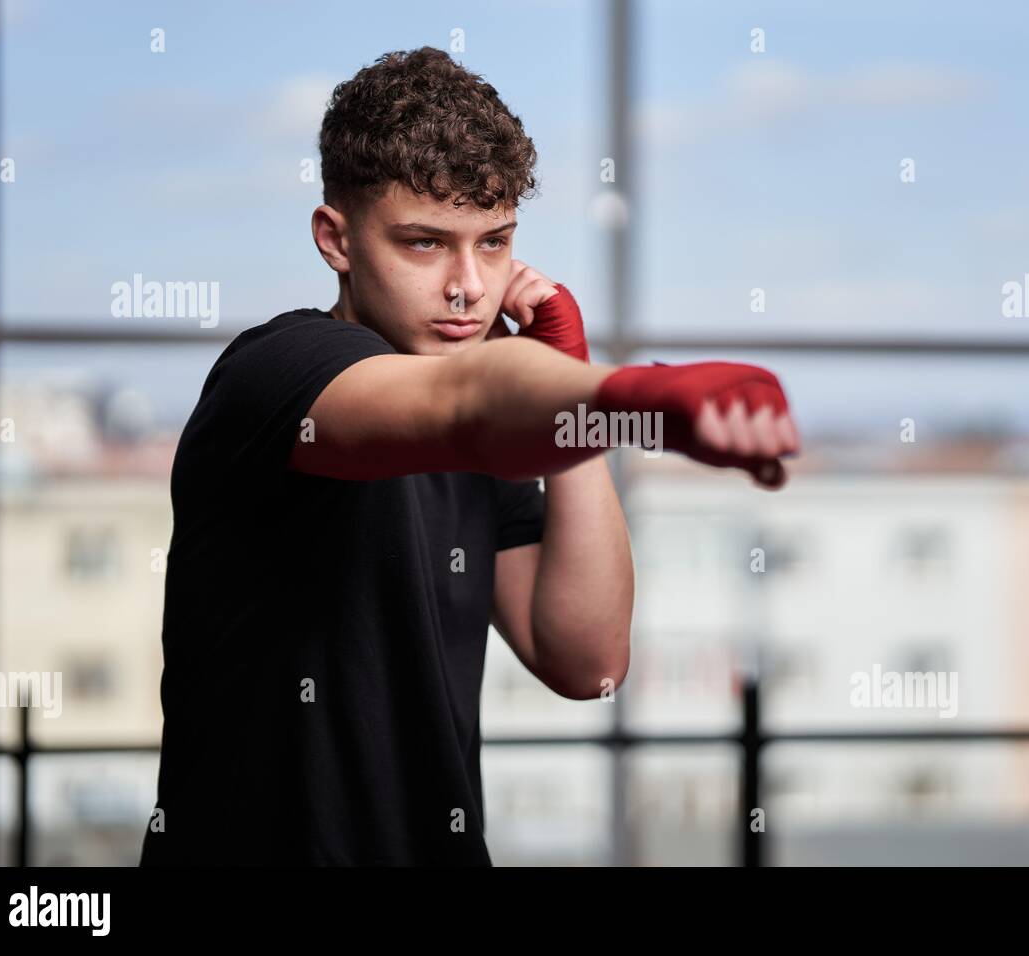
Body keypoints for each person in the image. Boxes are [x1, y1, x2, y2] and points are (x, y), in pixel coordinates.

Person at [140, 46, 800, 866]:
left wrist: (575, 425)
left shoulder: (500, 432)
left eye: (494, 244)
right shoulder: (276, 373)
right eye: (424, 244)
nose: (469, 287)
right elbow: (461, 407)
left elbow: (587, 661)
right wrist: (618, 396)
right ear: (335, 240)